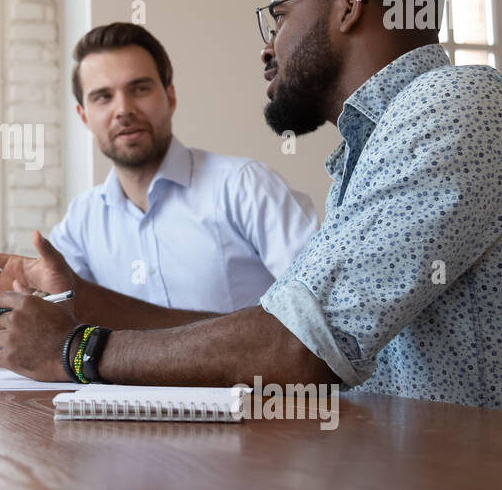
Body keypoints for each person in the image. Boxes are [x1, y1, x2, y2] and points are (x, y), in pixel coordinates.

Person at [0, 0, 502, 423]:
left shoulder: (456, 105)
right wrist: (81, 302)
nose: (267, 45)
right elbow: (277, 325)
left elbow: (295, 349)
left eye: (280, 17)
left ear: (348, 6)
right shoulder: (376, 144)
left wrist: (79, 348)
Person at [49, 22, 317, 312]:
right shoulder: (80, 223)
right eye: (103, 97)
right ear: (84, 116)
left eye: (139, 89)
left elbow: (323, 308)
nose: (123, 109)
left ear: (170, 97)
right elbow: (61, 320)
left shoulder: (246, 187)